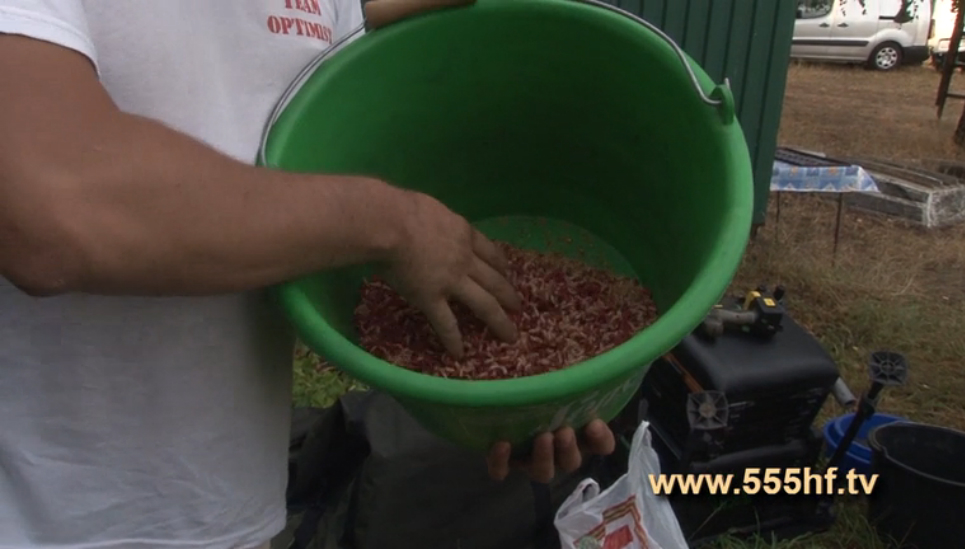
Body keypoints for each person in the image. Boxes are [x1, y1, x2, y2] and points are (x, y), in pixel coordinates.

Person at [0, 2, 616, 548]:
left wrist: (504, 409)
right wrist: (391, 222)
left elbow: (334, 103)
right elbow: (51, 212)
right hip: (44, 520)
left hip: (230, 510)